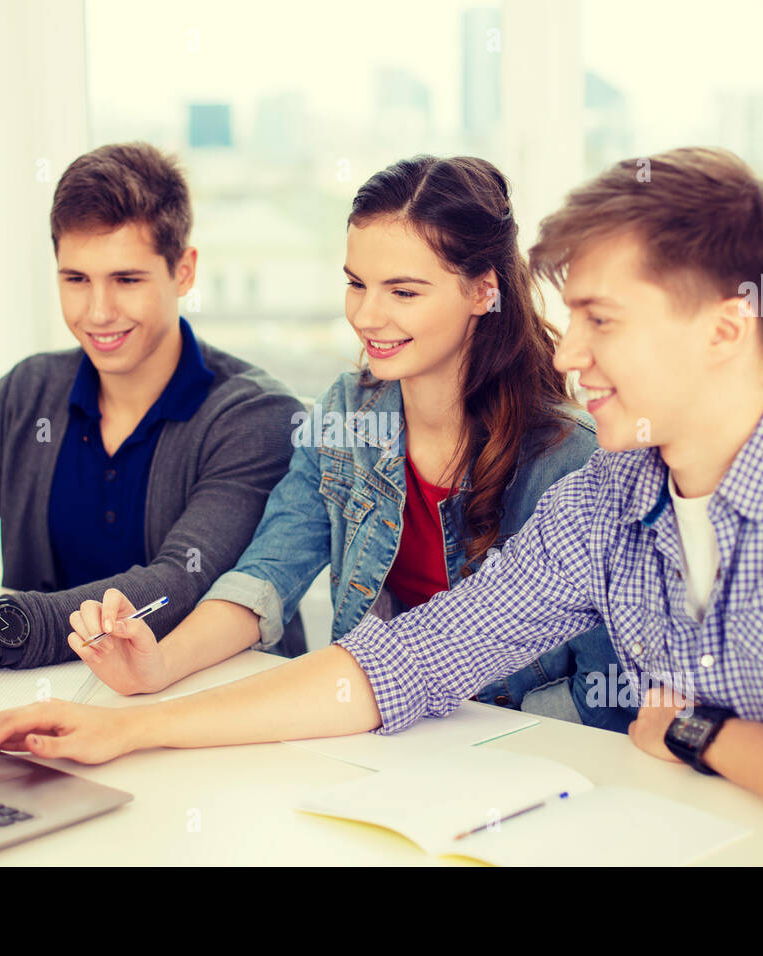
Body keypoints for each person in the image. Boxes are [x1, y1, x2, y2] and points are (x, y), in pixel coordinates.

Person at [0, 147, 763, 856]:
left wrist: (693, 729)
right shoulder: (613, 496)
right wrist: (139, 731)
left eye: (599, 319)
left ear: (725, 327)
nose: (570, 352)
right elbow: (401, 660)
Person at [56, 155, 632, 730]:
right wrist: (160, 666)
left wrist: (463, 738)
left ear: (484, 291)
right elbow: (270, 571)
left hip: (516, 755)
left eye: (403, 292)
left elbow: (608, 695)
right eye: (357, 284)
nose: (368, 315)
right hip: (376, 724)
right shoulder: (346, 413)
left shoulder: (573, 458)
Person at [0, 142, 305, 689]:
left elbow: (174, 585)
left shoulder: (255, 418)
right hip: (41, 690)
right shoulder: (28, 393)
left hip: (198, 709)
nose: (98, 312)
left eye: (127, 280)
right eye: (76, 279)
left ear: (185, 271)